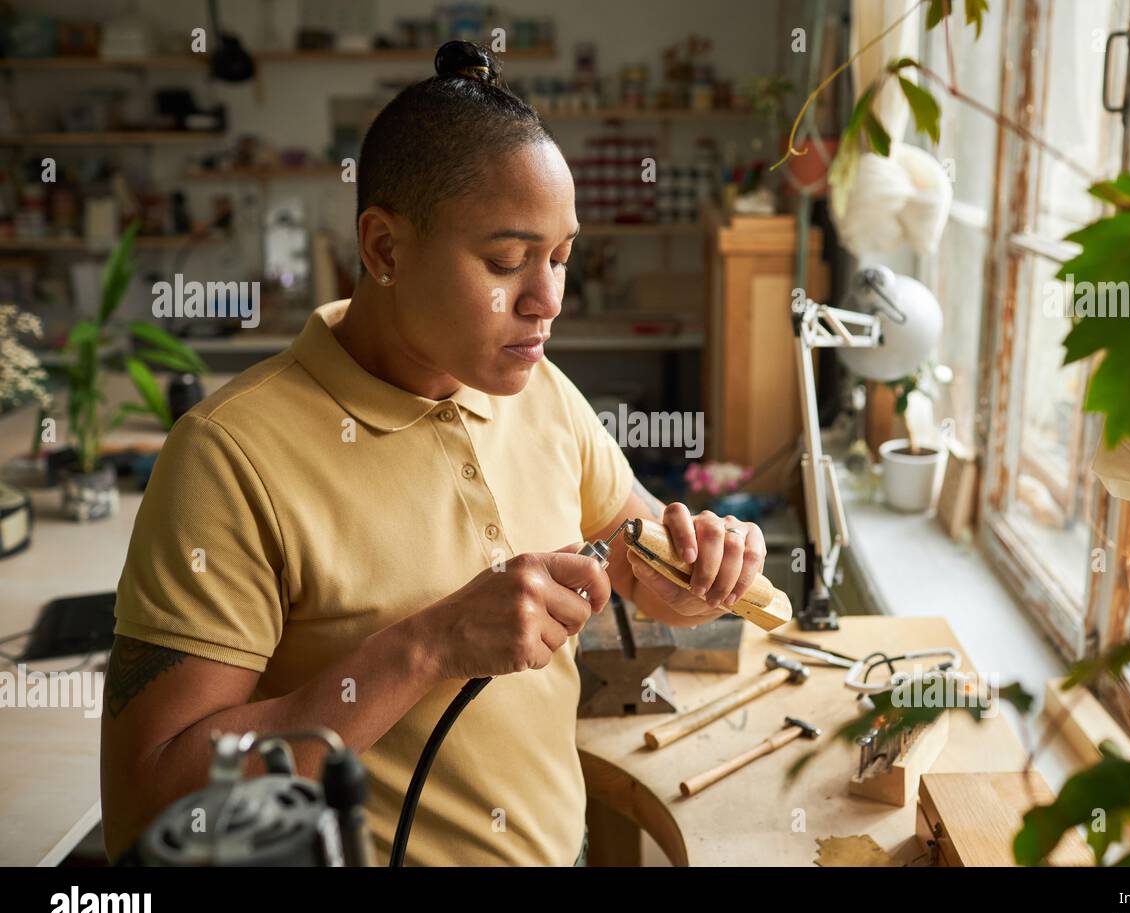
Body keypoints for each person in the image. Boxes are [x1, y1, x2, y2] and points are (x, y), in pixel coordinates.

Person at [100, 40, 769, 866]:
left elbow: (641, 569)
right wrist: (427, 648)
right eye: (506, 260)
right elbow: (151, 800)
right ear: (383, 250)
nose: (547, 300)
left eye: (561, 256)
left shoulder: (539, 388)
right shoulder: (228, 458)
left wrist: (703, 573)